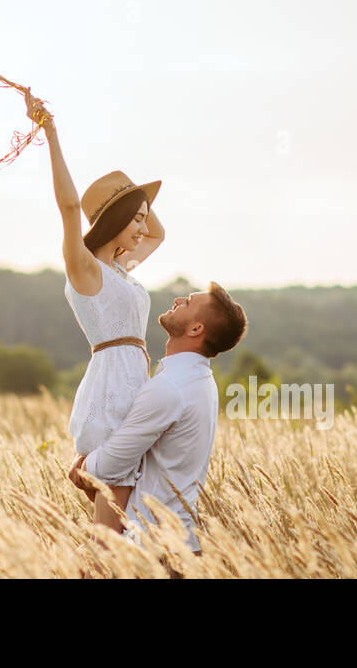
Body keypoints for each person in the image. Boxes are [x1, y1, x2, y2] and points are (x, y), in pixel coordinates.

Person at [23, 87, 165, 534]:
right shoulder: (86, 271)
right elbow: (68, 206)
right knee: (111, 531)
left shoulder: (124, 267)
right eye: (136, 218)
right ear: (114, 220)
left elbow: (157, 234)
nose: (144, 228)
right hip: (111, 396)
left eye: (144, 217)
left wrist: (136, 203)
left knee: (128, 529)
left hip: (135, 388)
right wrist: (51, 133)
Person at [70, 281, 248, 561]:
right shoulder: (200, 380)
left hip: (152, 551)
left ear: (195, 330)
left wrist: (82, 465)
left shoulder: (170, 387)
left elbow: (109, 464)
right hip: (177, 544)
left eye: (188, 301)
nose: (178, 299)